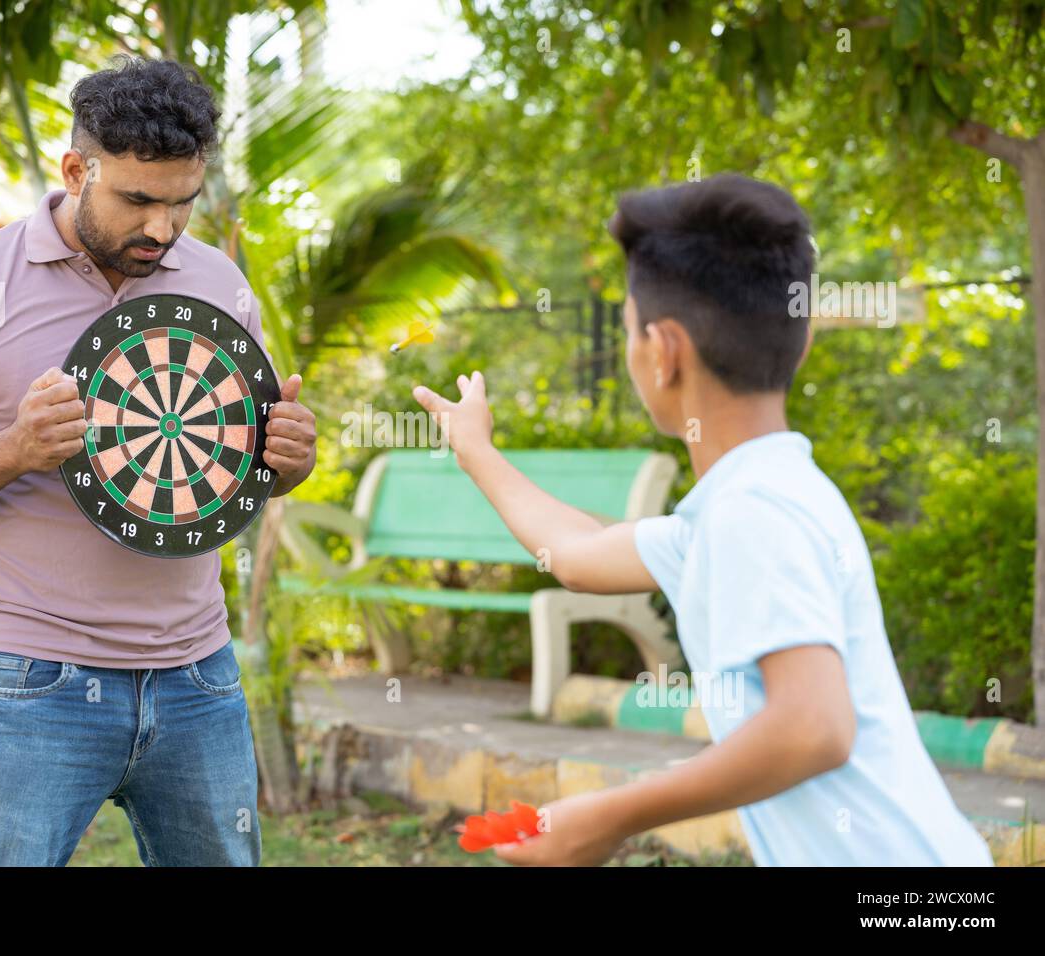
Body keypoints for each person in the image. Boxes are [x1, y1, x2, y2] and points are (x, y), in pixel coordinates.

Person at [412, 173, 993, 867]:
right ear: (801, 342)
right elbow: (580, 550)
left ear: (663, 354)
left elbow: (814, 727)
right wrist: (476, 450)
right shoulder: (741, 503)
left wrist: (609, 815)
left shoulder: (754, 510)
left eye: (629, 332)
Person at [0, 56, 317, 866]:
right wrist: (15, 449)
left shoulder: (218, 282)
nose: (162, 230)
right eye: (138, 200)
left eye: (181, 203)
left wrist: (287, 458)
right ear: (76, 169)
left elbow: (235, 468)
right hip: (29, 682)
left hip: (198, 677)